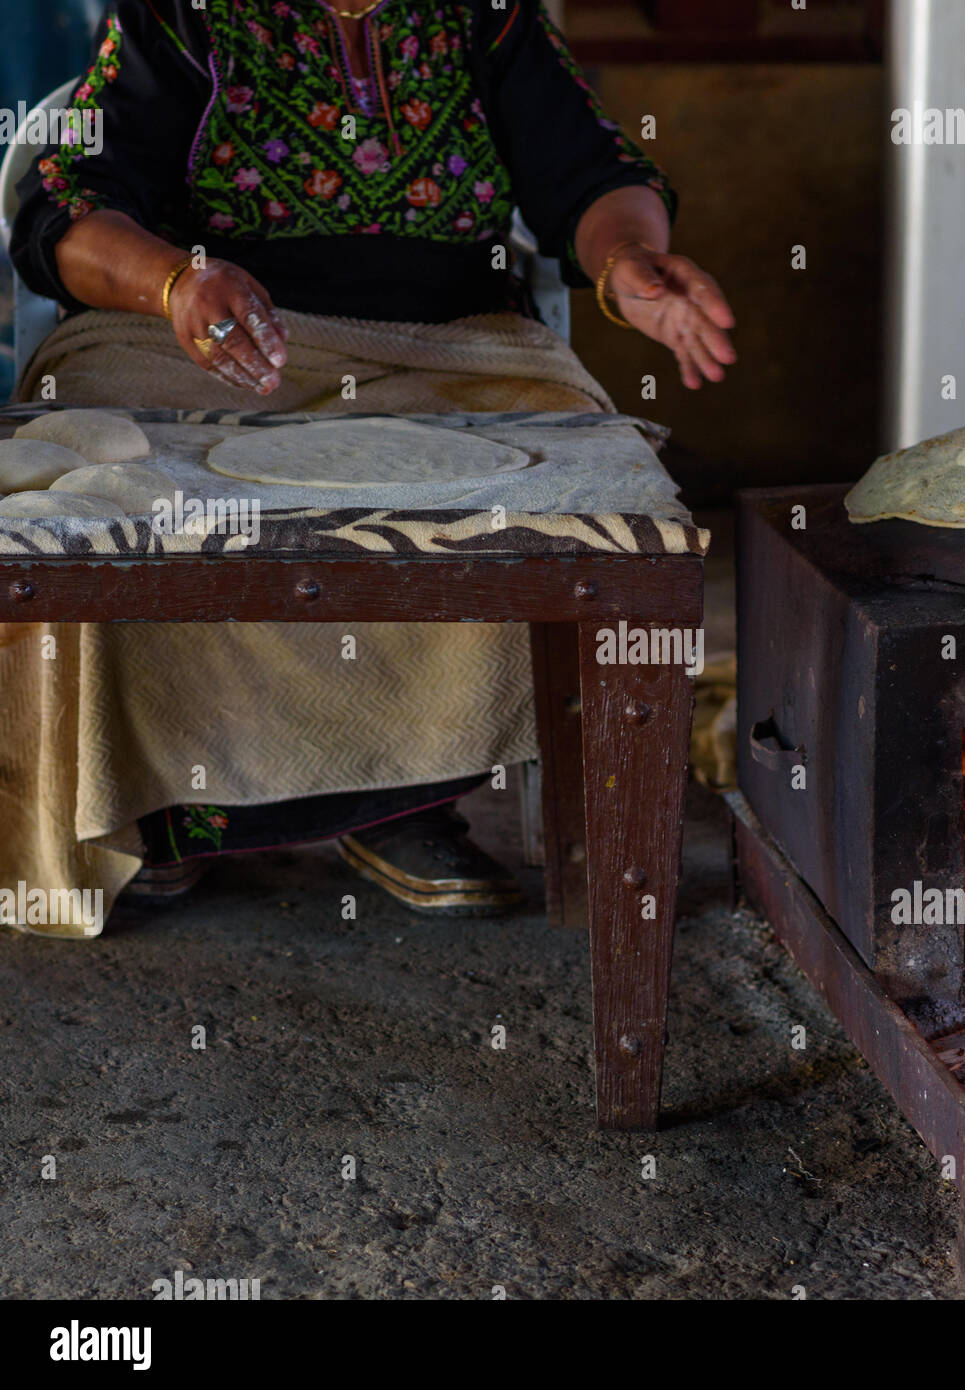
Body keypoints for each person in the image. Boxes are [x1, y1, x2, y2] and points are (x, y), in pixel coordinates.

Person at [8, 0, 734, 923]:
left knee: (550, 480)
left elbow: (592, 172)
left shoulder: (484, 16)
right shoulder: (178, 14)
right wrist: (175, 281)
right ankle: (171, 803)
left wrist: (628, 260)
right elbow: (65, 200)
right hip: (204, 341)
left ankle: (406, 797)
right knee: (122, 485)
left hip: (447, 344)